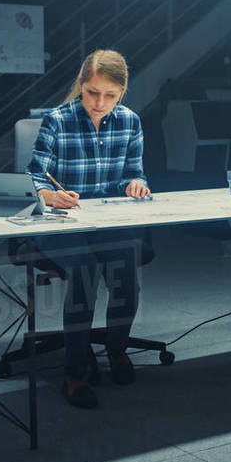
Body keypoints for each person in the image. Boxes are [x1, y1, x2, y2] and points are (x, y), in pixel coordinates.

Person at [27, 49, 151, 409]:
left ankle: (117, 351)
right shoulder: (57, 120)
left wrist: (135, 185)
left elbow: (134, 172)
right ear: (81, 86)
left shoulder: (130, 121)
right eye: (92, 92)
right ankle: (74, 373)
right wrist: (49, 194)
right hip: (61, 223)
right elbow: (35, 176)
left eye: (109, 95)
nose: (99, 103)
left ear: (121, 93)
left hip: (107, 220)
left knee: (126, 268)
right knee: (85, 270)